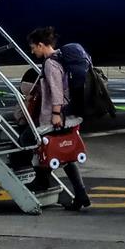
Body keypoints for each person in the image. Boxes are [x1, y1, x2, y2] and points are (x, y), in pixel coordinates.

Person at [27, 27, 90, 210]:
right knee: (66, 155)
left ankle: (42, 181)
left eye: (33, 48)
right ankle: (80, 194)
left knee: (39, 145)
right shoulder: (61, 58)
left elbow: (56, 91)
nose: (33, 52)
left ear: (41, 45)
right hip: (68, 113)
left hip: (55, 115)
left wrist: (55, 114)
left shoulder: (50, 64)